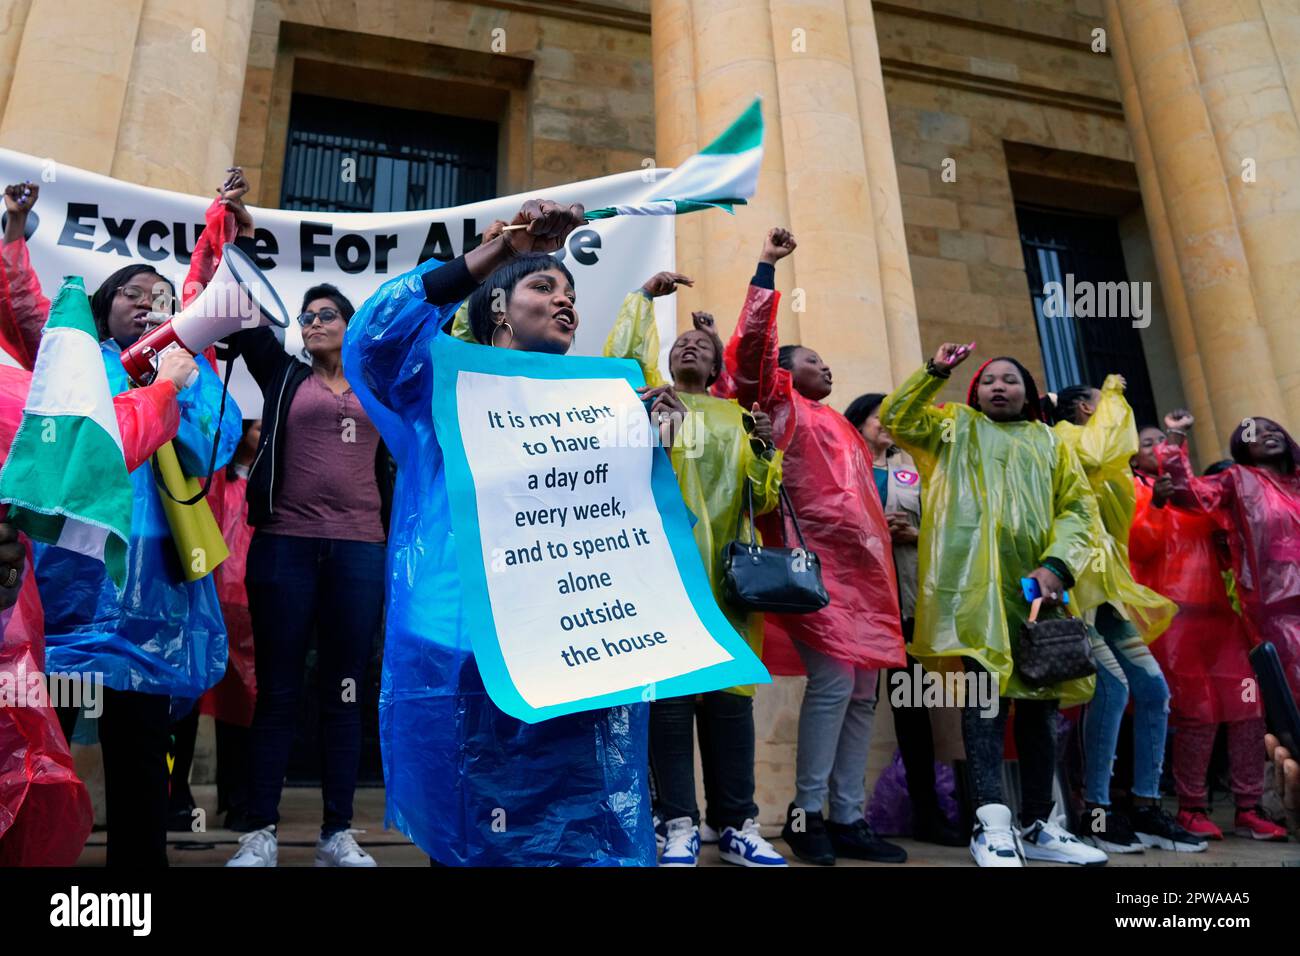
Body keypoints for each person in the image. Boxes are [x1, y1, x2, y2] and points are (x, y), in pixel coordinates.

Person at [345, 198, 680, 866]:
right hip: (462, 650)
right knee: (472, 839)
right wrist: (499, 250)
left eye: (572, 295)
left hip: (575, 650)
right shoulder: (440, 382)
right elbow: (375, 341)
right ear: (497, 307)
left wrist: (649, 440)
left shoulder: (596, 404)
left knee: (573, 837)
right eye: (543, 285)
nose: (566, 303)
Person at [3, 180, 241, 867]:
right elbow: (22, 308)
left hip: (149, 603)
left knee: (139, 752)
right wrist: (15, 228)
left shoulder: (186, 371)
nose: (149, 303)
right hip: (68, 589)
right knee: (41, 732)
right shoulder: (69, 359)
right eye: (134, 293)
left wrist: (176, 387)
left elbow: (211, 450)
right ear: (103, 309)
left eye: (161, 299)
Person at [207, 173, 390, 868]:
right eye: (308, 316)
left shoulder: (380, 386)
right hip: (284, 548)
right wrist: (241, 229)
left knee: (345, 688)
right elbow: (247, 305)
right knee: (278, 688)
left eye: (328, 316)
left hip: (358, 551)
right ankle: (259, 832)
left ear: (351, 327)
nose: (314, 323)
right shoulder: (282, 375)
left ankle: (336, 833)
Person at [880, 347, 1108, 866]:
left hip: (1037, 595)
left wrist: (1057, 565)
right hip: (973, 594)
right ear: (974, 392)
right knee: (984, 705)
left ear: (1028, 393)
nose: (999, 387)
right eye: (989, 381)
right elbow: (898, 417)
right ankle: (991, 823)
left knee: (1040, 710)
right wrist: (935, 372)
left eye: (1011, 380)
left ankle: (1036, 822)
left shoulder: (1051, 443)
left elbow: (1077, 509)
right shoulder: (953, 430)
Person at [723, 228, 907, 865]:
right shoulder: (779, 404)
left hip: (866, 575)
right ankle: (807, 815)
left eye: (829, 363)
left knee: (862, 691)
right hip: (814, 569)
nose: (825, 367)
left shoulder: (844, 426)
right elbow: (750, 352)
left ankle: (848, 816)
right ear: (785, 370)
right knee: (832, 683)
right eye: (812, 359)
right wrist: (766, 270)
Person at [604, 268, 786, 867]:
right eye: (682, 342)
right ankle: (676, 821)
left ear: (716, 371)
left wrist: (763, 450)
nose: (690, 346)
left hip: (728, 583)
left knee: (731, 700)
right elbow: (623, 362)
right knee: (671, 699)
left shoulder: (738, 418)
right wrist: (643, 298)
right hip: (660, 574)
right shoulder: (651, 401)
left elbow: (761, 501)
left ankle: (736, 823)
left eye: (703, 348)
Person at [1051, 380, 1200, 853]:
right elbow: (1097, 452)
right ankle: (1096, 812)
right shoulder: (1067, 436)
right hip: (1076, 585)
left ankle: (1145, 806)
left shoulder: (1116, 461)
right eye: (1104, 404)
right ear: (1082, 408)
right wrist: (1113, 391)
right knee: (1110, 689)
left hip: (1108, 587)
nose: (1120, 414)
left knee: (1153, 690)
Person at [1129, 428, 1285, 841]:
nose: (1159, 449)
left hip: (1222, 620)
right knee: (1198, 716)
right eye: (1148, 444)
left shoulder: (1201, 494)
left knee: (1248, 707)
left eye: (1167, 443)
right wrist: (1158, 503)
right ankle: (1191, 807)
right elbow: (1138, 550)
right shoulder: (1137, 494)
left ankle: (1248, 808)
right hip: (1177, 622)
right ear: (1133, 459)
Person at [844, 392, 964, 847]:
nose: (888, 425)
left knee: (914, 710)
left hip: (908, 605)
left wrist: (918, 533)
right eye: (880, 417)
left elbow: (949, 522)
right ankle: (841, 816)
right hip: (856, 605)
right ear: (858, 422)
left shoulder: (911, 465)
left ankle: (927, 814)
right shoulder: (841, 461)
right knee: (849, 706)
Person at [1159, 411, 1300, 704]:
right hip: (1279, 605)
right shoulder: (1237, 481)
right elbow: (1187, 494)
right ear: (1243, 448)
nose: (1267, 434)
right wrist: (1175, 437)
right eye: (1255, 433)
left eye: (1273, 428)